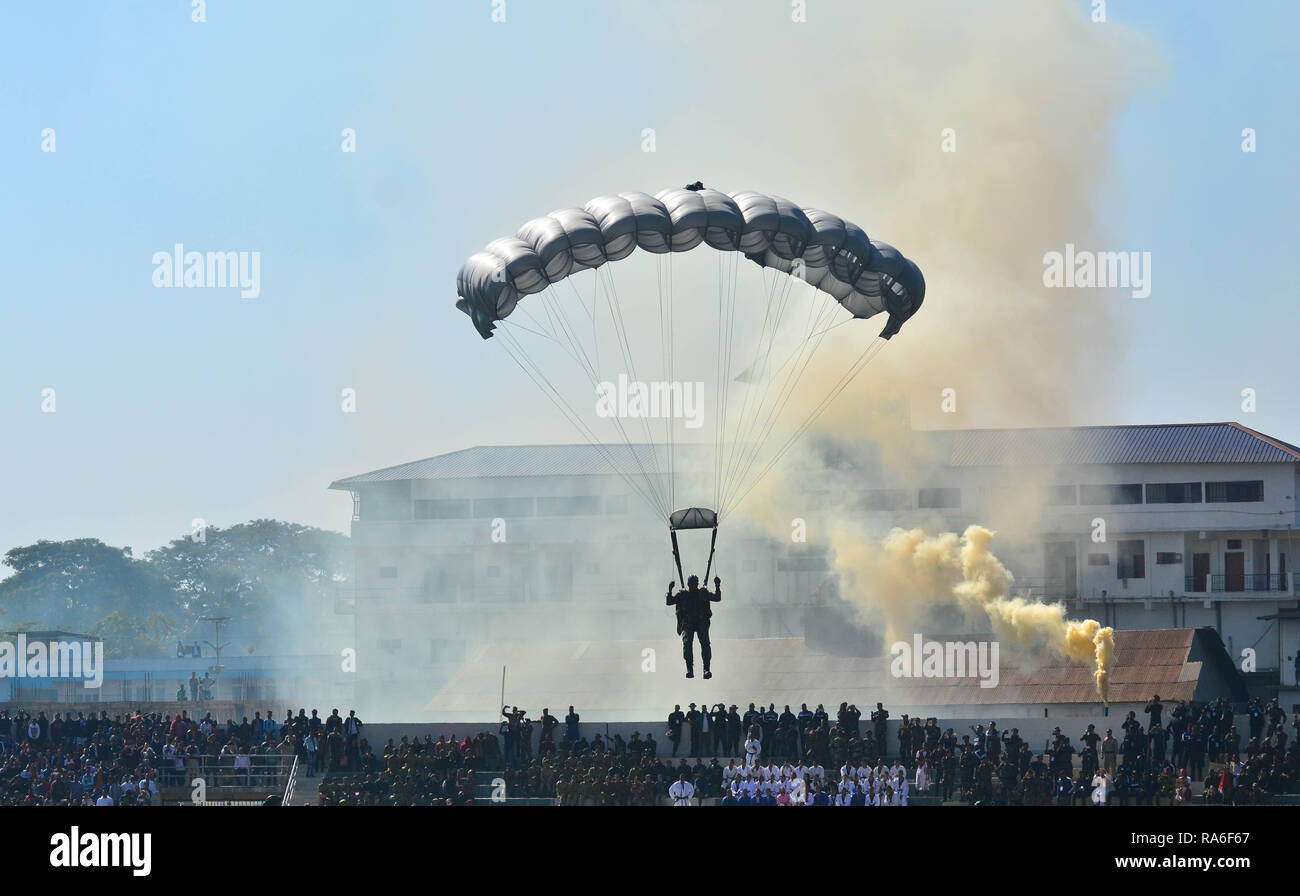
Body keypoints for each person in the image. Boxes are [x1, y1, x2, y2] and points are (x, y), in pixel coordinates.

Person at [665, 575, 721, 678]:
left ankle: (706, 669)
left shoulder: (703, 593)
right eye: (691, 584)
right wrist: (670, 590)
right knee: (687, 645)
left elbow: (717, 598)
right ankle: (689, 669)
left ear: (697, 584)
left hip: (701, 622)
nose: (693, 586)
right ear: (688, 585)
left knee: (705, 644)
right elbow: (669, 602)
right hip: (688, 623)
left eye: (695, 584)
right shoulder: (683, 595)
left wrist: (717, 586)